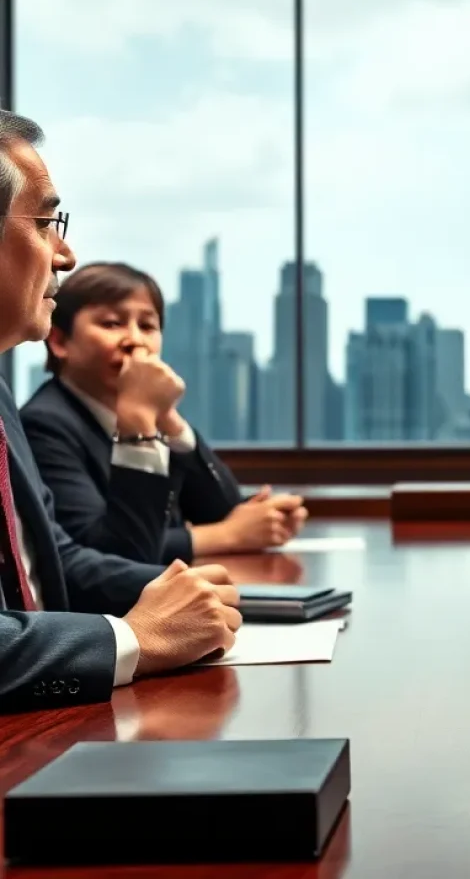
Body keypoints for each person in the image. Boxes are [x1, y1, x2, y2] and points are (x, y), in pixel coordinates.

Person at [0, 108, 241, 713]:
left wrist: (188, 597)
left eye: (148, 324)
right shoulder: (48, 419)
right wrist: (136, 637)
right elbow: (116, 546)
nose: (65, 254)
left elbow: (53, 560)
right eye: (45, 222)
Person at [19, 261, 308, 566]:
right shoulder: (46, 424)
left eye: (147, 326)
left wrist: (169, 419)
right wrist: (227, 535)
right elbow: (109, 552)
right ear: (61, 342)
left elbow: (222, 511)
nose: (135, 340)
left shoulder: (142, 412)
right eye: (111, 324)